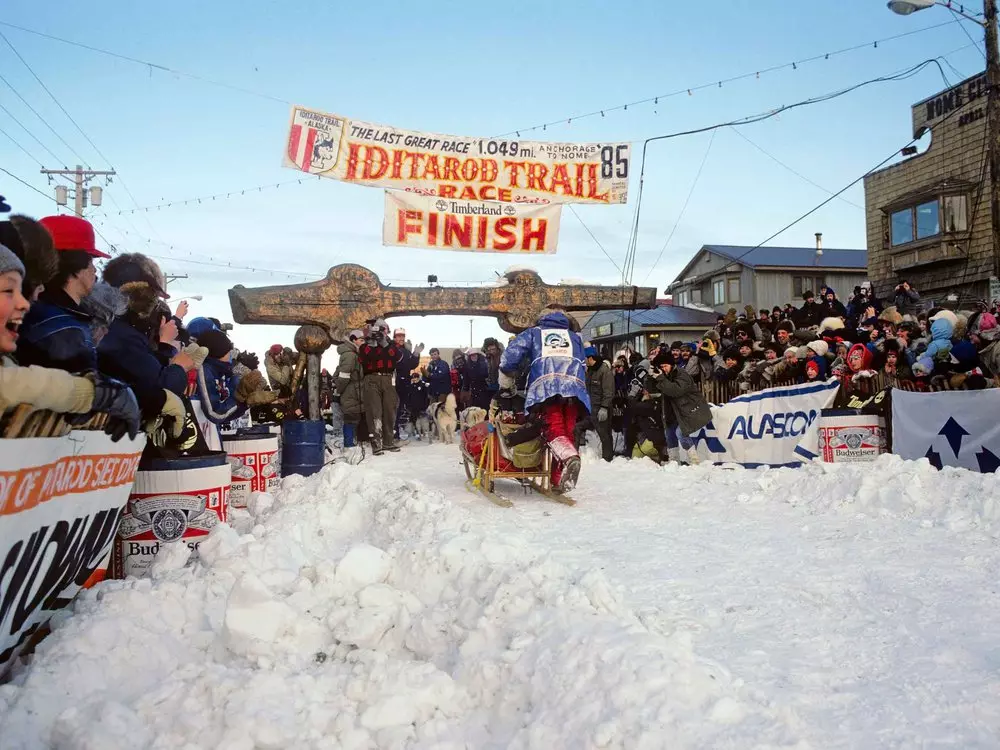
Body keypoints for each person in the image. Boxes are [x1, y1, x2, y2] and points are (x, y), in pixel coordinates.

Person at [0, 243, 142, 441]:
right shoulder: (63, 327)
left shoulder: (68, 321)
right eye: (8, 290)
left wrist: (101, 392)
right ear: (74, 269)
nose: (24, 303)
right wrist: (96, 394)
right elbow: (11, 385)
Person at [499, 308, 590, 493]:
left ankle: (570, 458)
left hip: (546, 387)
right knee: (567, 430)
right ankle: (559, 479)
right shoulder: (574, 337)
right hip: (574, 389)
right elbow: (583, 363)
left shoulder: (534, 333)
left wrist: (507, 374)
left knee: (553, 429)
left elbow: (510, 356)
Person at [17, 215, 109, 373]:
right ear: (76, 268)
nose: (94, 270)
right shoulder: (69, 331)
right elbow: (85, 393)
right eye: (91, 261)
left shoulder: (34, 312)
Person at [646, 349, 712, 464]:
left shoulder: (682, 374)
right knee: (669, 434)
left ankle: (694, 460)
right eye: (660, 366)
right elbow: (651, 390)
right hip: (673, 412)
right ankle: (674, 461)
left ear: (672, 365)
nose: (663, 369)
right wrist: (651, 376)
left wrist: (660, 378)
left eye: (665, 366)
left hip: (691, 410)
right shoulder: (663, 376)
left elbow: (675, 391)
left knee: (681, 433)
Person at [358, 318, 402, 455]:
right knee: (374, 411)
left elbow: (398, 357)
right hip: (371, 378)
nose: (382, 332)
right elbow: (364, 357)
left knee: (390, 410)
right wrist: (371, 342)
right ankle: (377, 443)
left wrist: (384, 343)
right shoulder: (366, 345)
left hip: (389, 379)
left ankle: (389, 441)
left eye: (384, 329)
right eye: (379, 329)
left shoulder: (391, 344)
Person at [575, 345, 614, 462]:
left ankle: (607, 459)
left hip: (601, 409)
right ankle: (574, 455)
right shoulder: (590, 371)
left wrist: (605, 407)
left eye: (585, 359)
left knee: (605, 435)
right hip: (590, 409)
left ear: (591, 358)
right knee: (577, 428)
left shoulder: (604, 371)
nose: (584, 361)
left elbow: (609, 391)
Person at [335, 329, 365, 447]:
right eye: (361, 340)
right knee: (350, 418)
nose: (363, 343)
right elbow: (344, 376)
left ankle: (353, 442)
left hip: (355, 390)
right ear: (354, 340)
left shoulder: (354, 353)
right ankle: (348, 445)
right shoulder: (350, 355)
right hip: (350, 391)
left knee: (354, 417)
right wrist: (339, 391)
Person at [392, 327, 422, 440]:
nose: (401, 338)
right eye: (399, 336)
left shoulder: (405, 350)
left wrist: (415, 354)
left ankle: (396, 434)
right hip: (395, 382)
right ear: (394, 337)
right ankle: (394, 435)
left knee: (400, 409)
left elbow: (412, 365)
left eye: (403, 336)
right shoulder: (393, 348)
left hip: (404, 382)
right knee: (395, 408)